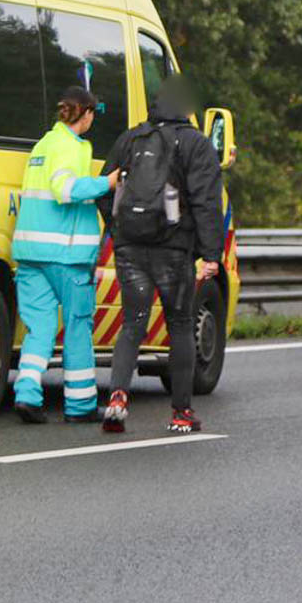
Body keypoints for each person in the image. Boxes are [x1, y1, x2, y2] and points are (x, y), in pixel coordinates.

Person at [99, 76, 225, 434]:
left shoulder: (131, 139)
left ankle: (117, 398)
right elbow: (206, 202)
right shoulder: (196, 145)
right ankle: (181, 413)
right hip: (173, 249)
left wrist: (118, 229)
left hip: (130, 248)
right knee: (181, 324)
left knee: (133, 322)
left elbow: (104, 188)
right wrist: (210, 254)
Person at [12, 87, 117, 423]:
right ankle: (81, 404)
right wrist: (107, 183)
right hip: (66, 255)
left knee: (39, 328)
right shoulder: (72, 147)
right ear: (85, 114)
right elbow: (66, 189)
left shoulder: (42, 144)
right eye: (92, 114)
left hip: (30, 254)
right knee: (76, 326)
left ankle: (27, 393)